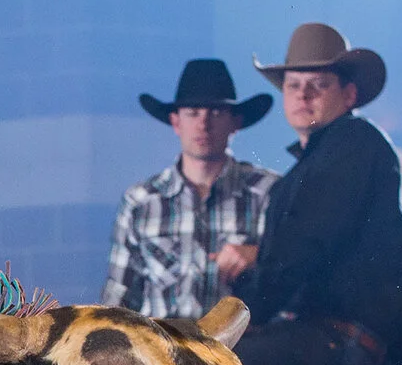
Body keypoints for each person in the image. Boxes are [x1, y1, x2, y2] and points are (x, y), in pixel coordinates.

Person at [231, 23, 402, 365]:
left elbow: (304, 243)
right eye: (294, 86)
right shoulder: (310, 166)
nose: (303, 95)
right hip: (322, 338)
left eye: (319, 85)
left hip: (340, 342)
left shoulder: (353, 142)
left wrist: (245, 312)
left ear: (349, 95)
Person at [101, 59, 278, 318]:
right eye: (193, 113)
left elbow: (291, 276)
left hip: (240, 350)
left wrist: (258, 257)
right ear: (176, 122)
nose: (203, 124)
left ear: (235, 122)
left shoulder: (268, 192)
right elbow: (119, 298)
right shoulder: (141, 201)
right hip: (160, 350)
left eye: (216, 113)